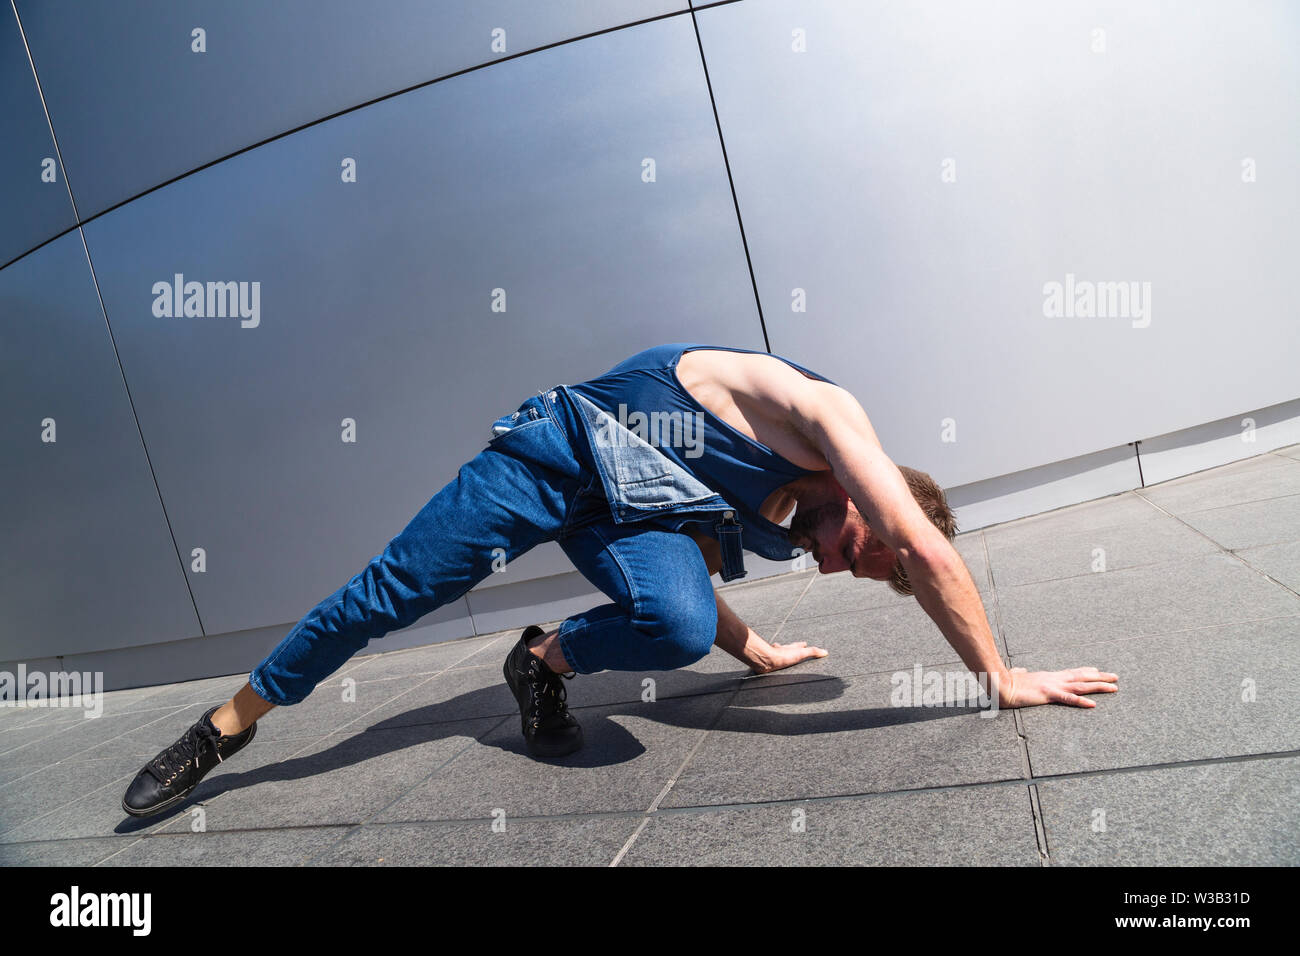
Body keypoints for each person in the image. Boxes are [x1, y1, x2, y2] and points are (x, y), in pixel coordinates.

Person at [121, 342, 1117, 818]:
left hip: (626, 522)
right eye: (858, 552)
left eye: (844, 569)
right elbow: (932, 554)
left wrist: (756, 651)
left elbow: (687, 577)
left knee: (677, 627)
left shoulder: (777, 522)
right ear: (885, 503)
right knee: (389, 594)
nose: (828, 564)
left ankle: (541, 659)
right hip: (549, 461)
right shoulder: (821, 412)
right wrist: (999, 677)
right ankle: (225, 727)